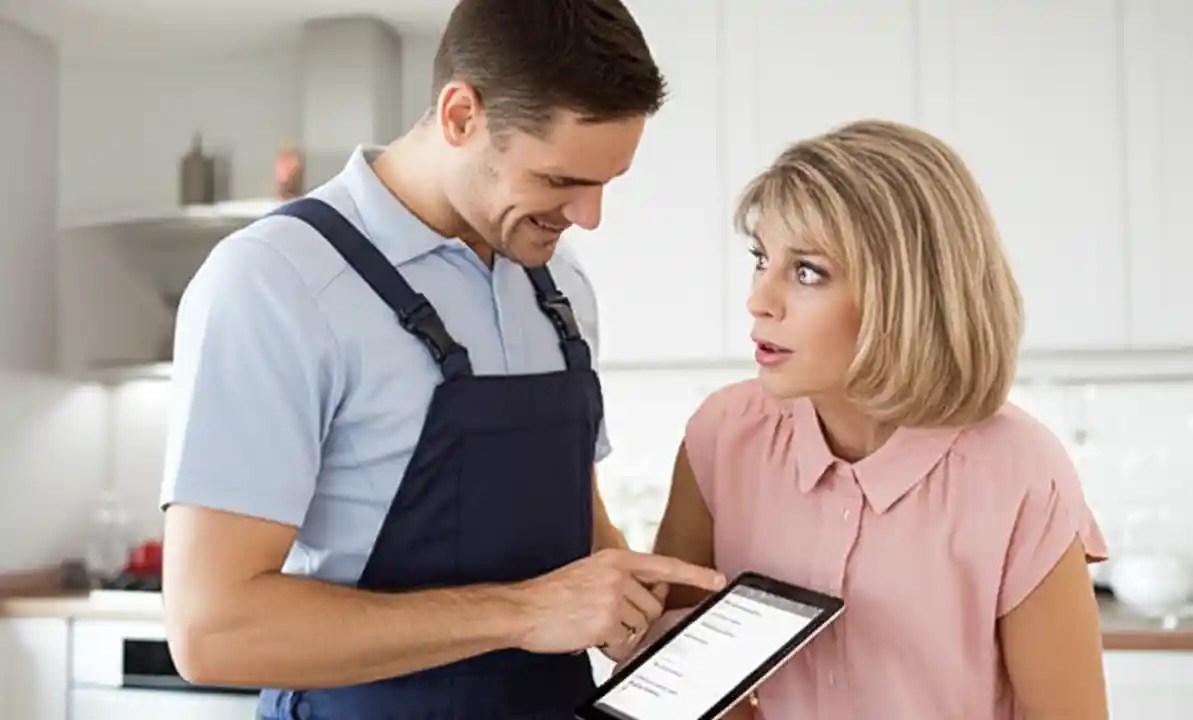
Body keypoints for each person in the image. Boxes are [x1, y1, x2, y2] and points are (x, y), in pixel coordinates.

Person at [158, 1, 725, 718]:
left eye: (605, 183)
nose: (589, 217)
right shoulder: (274, 281)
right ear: (460, 115)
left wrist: (645, 623)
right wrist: (523, 613)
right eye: (559, 181)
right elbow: (213, 631)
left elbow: (579, 525)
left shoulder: (559, 283)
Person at [646, 120, 1110, 719]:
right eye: (763, 258)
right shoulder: (723, 435)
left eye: (807, 271)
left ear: (906, 293)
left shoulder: (1018, 473)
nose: (760, 298)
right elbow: (691, 687)